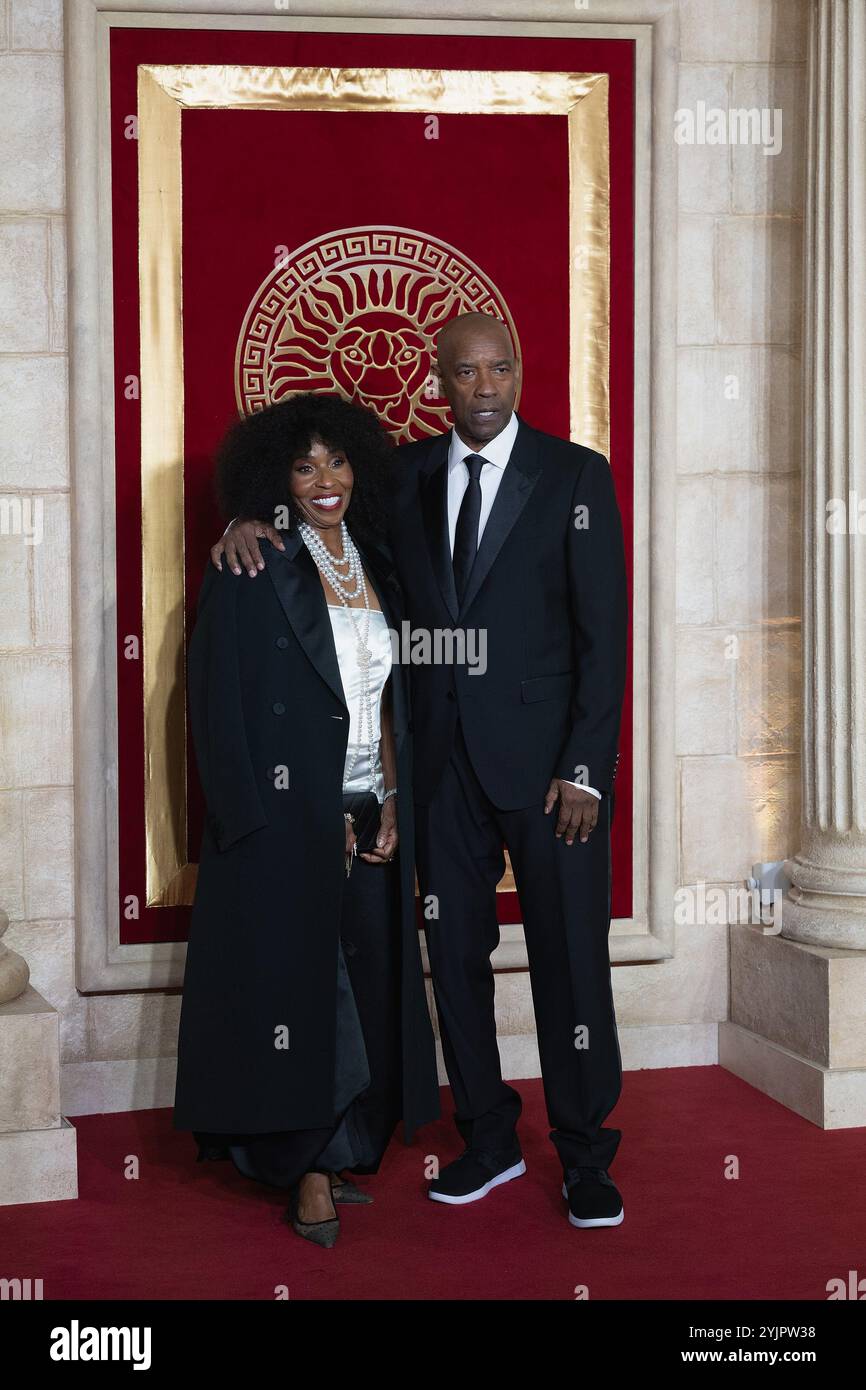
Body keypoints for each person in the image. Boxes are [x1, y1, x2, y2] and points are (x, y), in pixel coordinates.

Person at [211, 312, 629, 1229]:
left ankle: (588, 1155)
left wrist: (588, 769)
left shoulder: (575, 477)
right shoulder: (403, 476)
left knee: (572, 962)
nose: (483, 387)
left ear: (518, 372)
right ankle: (487, 1138)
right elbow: (327, 534)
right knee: (454, 957)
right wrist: (245, 520)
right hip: (438, 770)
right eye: (464, 373)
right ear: (438, 381)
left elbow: (606, 638)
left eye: (498, 369)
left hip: (554, 776)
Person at [174, 393, 440, 1248]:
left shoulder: (379, 561)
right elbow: (214, 700)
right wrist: (250, 820)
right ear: (275, 480)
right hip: (287, 820)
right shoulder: (255, 561)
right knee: (301, 989)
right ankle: (307, 1172)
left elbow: (392, 701)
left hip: (370, 809)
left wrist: (393, 798)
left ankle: (346, 1140)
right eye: (304, 466)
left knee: (362, 982)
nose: (325, 481)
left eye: (337, 462)